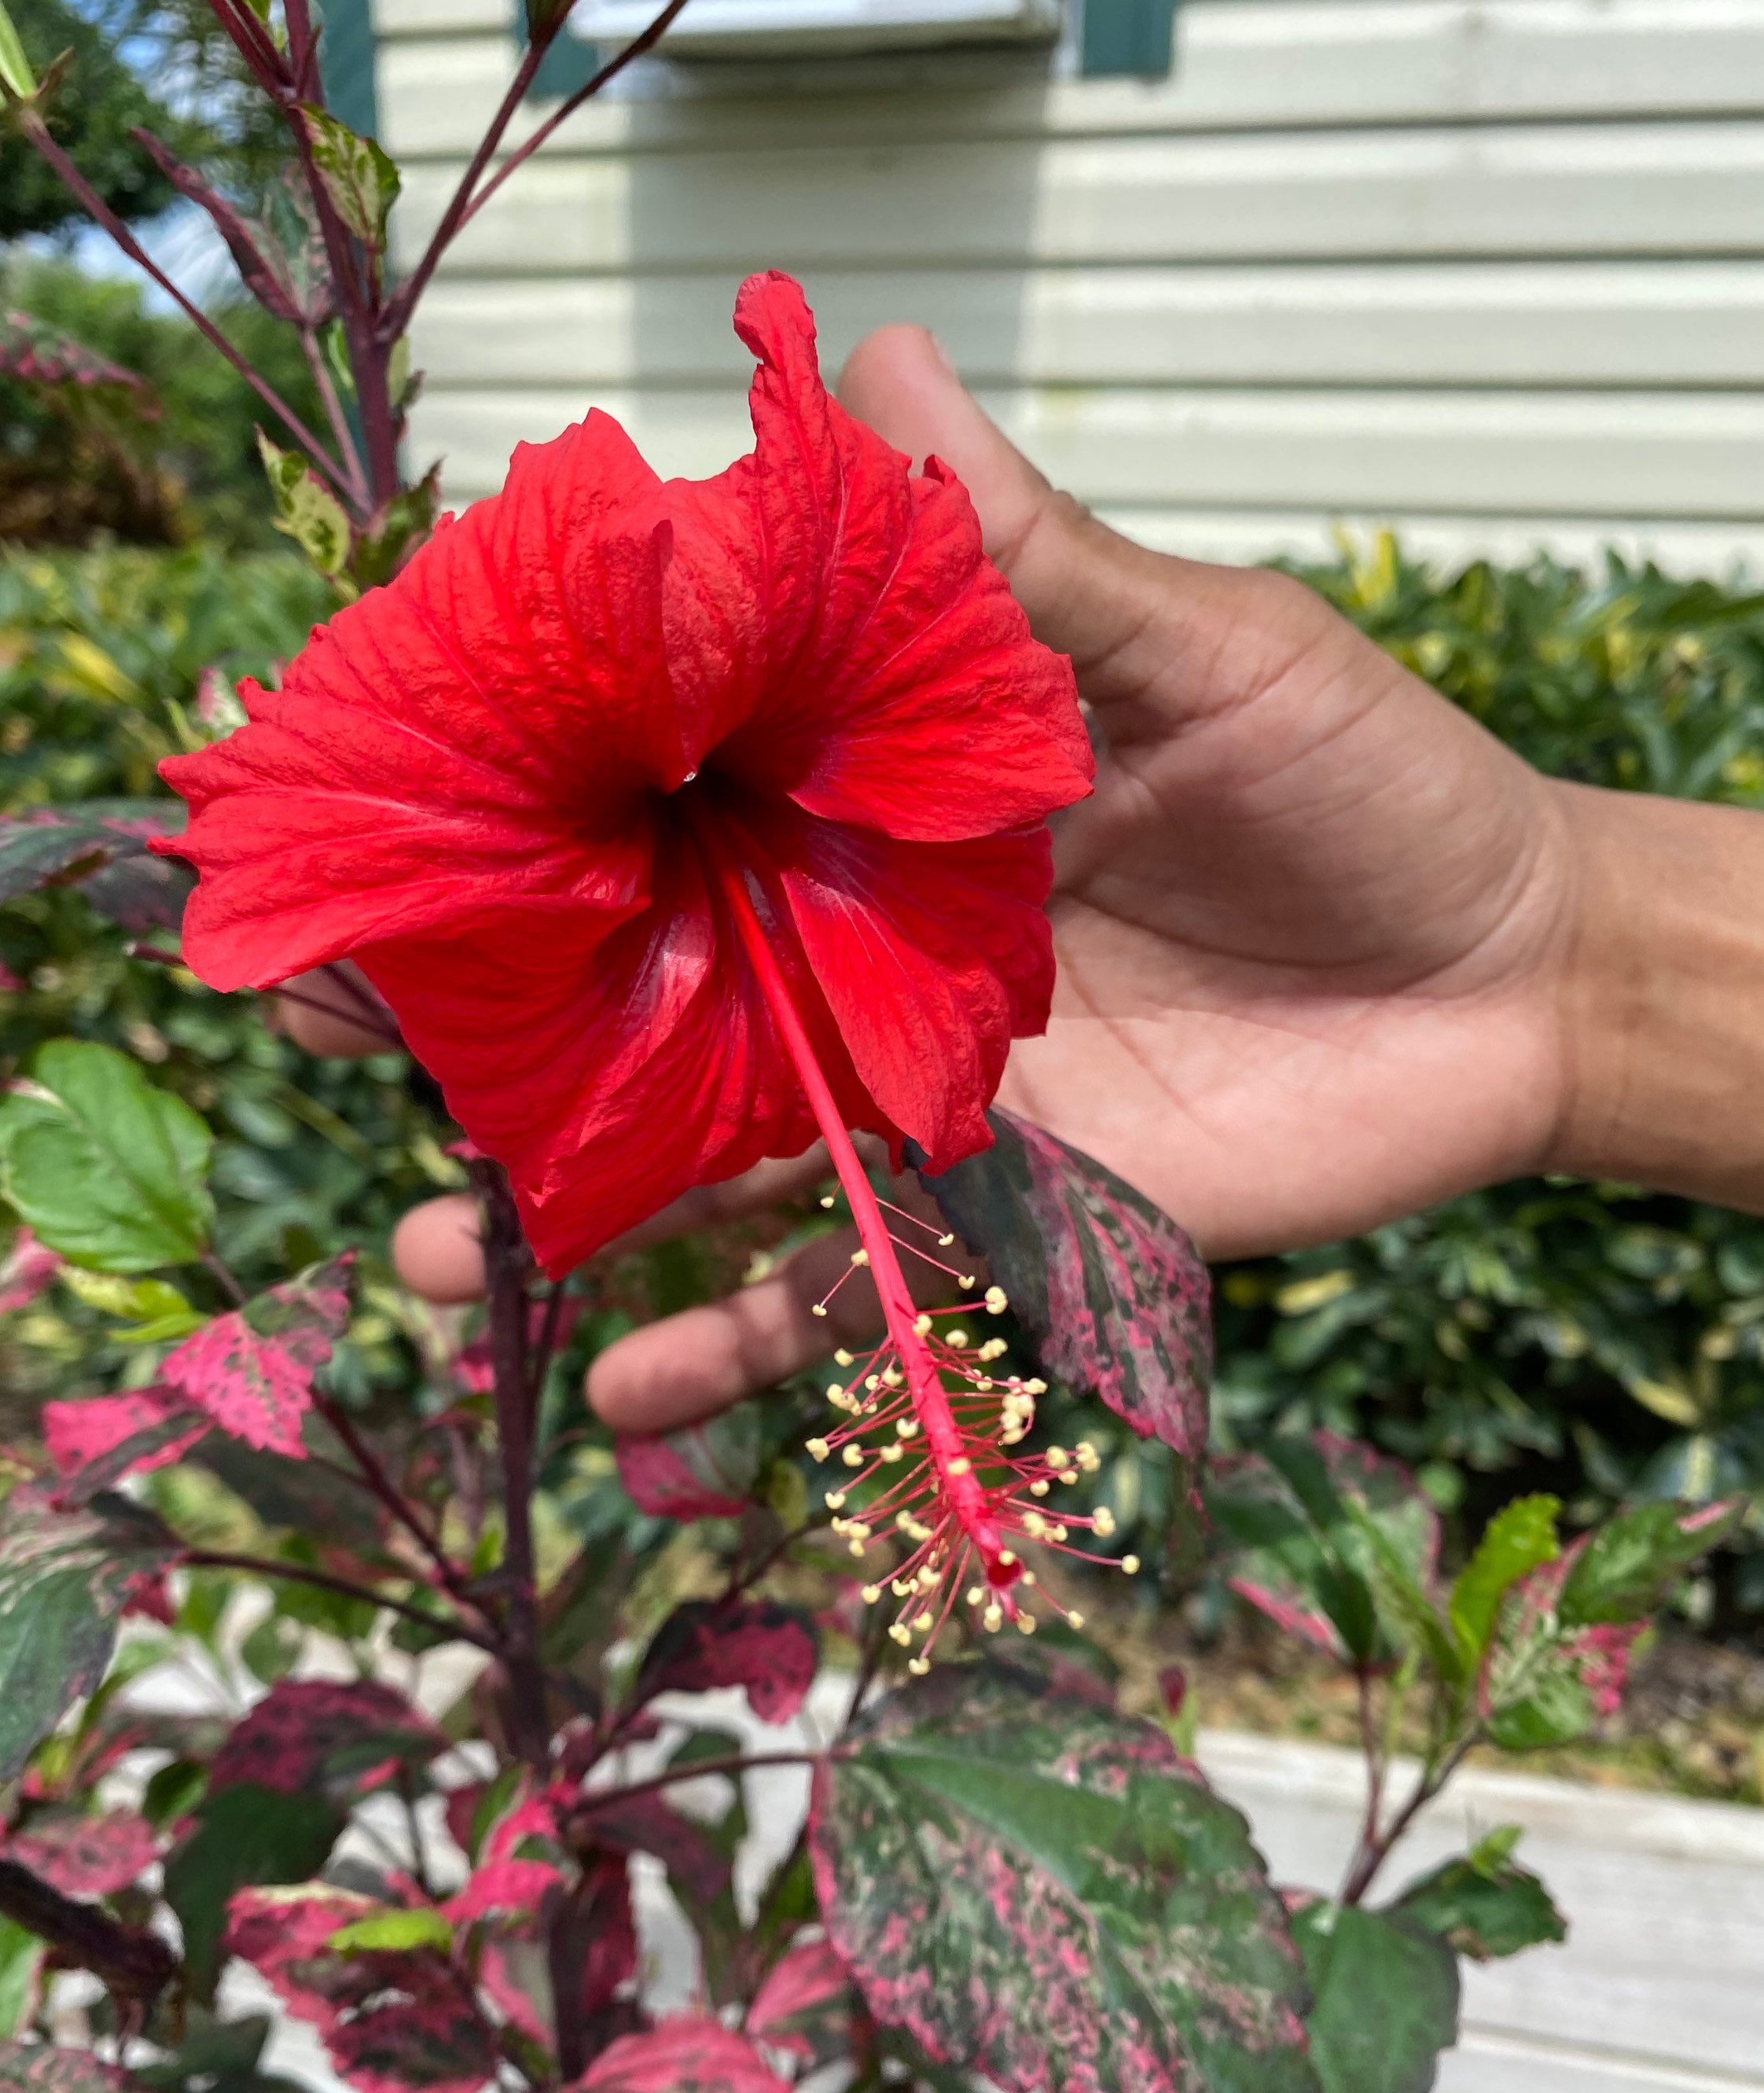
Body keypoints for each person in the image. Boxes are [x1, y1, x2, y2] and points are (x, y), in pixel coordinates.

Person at [279, 325, 1764, 1435]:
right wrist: (1556, 954)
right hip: (694, 845)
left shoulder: (844, 656)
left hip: (792, 823)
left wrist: (1552, 948)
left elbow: (874, 613)